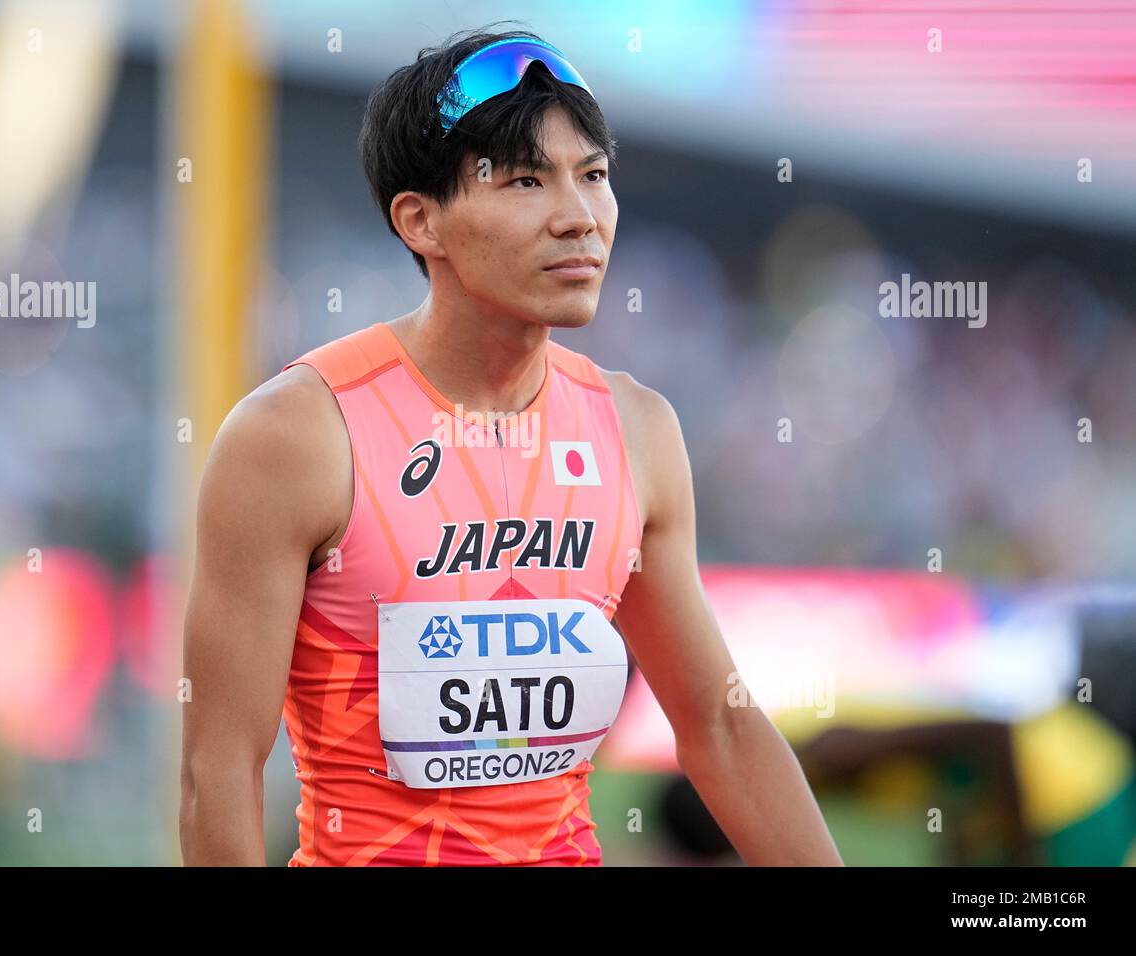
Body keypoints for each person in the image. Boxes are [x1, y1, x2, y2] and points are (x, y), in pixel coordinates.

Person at [179, 25, 843, 866]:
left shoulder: (636, 430)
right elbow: (220, 768)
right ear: (421, 221)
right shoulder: (299, 434)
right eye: (528, 181)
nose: (579, 218)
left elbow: (718, 723)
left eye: (593, 176)